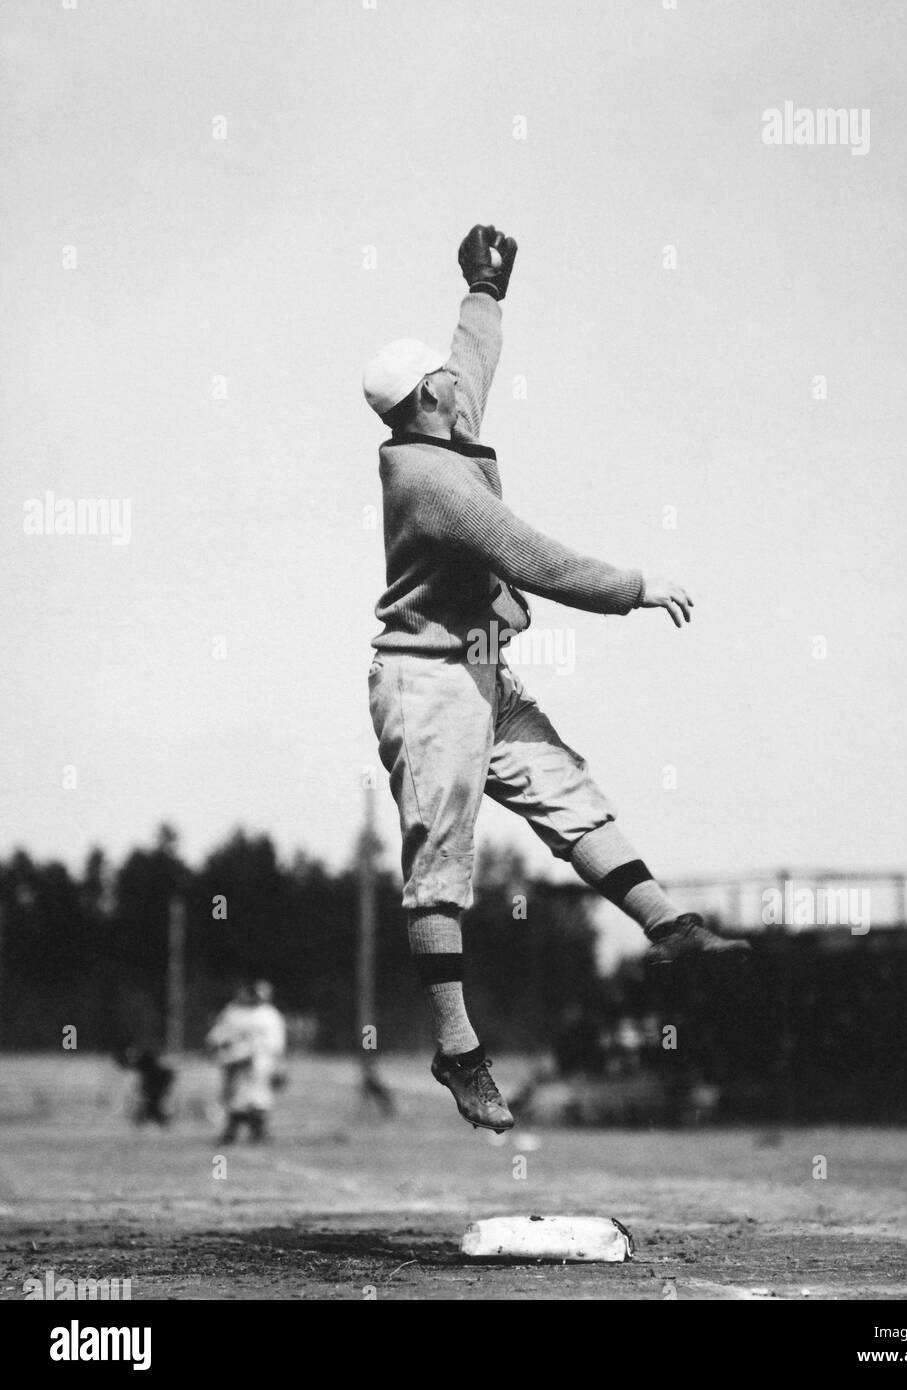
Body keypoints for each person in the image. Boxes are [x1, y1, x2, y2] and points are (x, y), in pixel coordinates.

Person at [362, 225, 749, 1134]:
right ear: (423, 400)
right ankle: (458, 1049)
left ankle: (670, 930)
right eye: (442, 383)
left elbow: (473, 358)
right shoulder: (434, 483)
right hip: (426, 684)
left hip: (480, 671)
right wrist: (637, 587)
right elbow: (536, 561)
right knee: (441, 868)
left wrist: (483, 288)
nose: (460, 387)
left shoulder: (442, 431)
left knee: (567, 791)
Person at [206, 980, 287, 1143]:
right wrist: (218, 1048)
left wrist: (279, 1065)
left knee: (259, 1097)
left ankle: (258, 1132)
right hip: (235, 1062)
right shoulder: (233, 1012)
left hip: (261, 1063)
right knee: (235, 1097)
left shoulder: (269, 1014)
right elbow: (218, 1035)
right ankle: (231, 1132)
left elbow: (276, 1044)